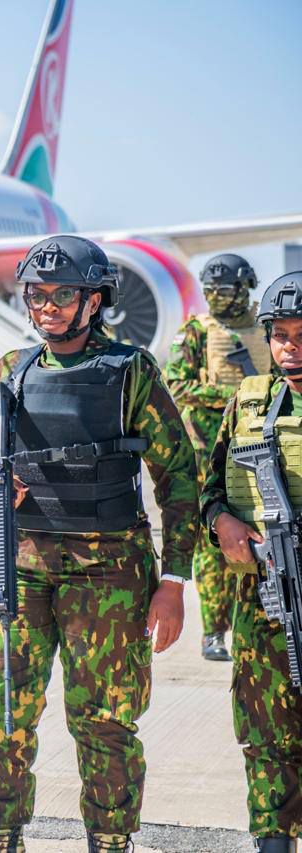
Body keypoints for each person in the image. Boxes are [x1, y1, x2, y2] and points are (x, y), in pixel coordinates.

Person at [0, 235, 197, 853]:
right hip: (16, 567)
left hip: (108, 573)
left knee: (104, 722)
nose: (47, 307)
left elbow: (179, 477)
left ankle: (109, 841)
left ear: (95, 301)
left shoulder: (131, 372)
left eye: (62, 295)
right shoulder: (11, 370)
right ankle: (2, 837)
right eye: (37, 295)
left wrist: (173, 581)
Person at [200, 270, 302, 852]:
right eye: (280, 334)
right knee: (265, 732)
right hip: (264, 597)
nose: (290, 347)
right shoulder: (248, 399)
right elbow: (209, 488)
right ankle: (272, 840)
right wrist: (222, 521)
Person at [165, 253, 270, 662]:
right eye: (210, 291)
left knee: (264, 538)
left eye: (225, 290)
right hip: (209, 453)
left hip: (260, 450)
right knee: (212, 544)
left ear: (245, 288)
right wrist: (232, 395)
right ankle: (214, 632)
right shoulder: (197, 330)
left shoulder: (267, 328)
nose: (217, 298)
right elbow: (176, 383)